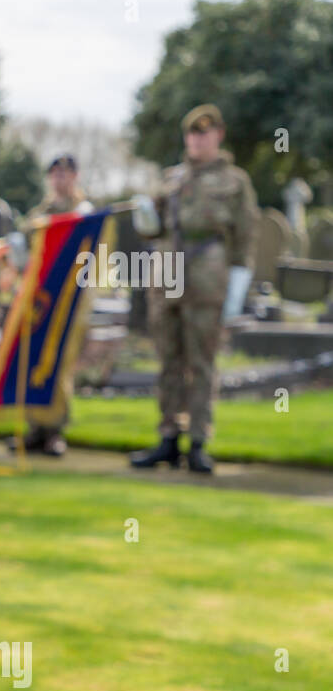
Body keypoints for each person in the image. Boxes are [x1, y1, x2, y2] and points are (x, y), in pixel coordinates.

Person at [130, 104, 257, 474]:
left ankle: (198, 441)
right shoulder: (170, 178)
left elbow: (246, 235)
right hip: (166, 272)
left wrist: (238, 281)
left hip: (207, 272)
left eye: (205, 133)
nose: (197, 140)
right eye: (192, 134)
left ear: (218, 135)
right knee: (168, 360)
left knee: (201, 362)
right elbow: (152, 229)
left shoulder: (235, 181)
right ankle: (168, 437)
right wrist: (145, 214)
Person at [7, 155, 95, 458]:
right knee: (33, 361)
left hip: (69, 299)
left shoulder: (84, 214)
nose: (60, 179)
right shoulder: (38, 215)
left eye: (66, 173)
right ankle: (35, 428)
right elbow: (25, 255)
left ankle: (55, 430)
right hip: (40, 300)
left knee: (59, 364)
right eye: (55, 173)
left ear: (75, 176)